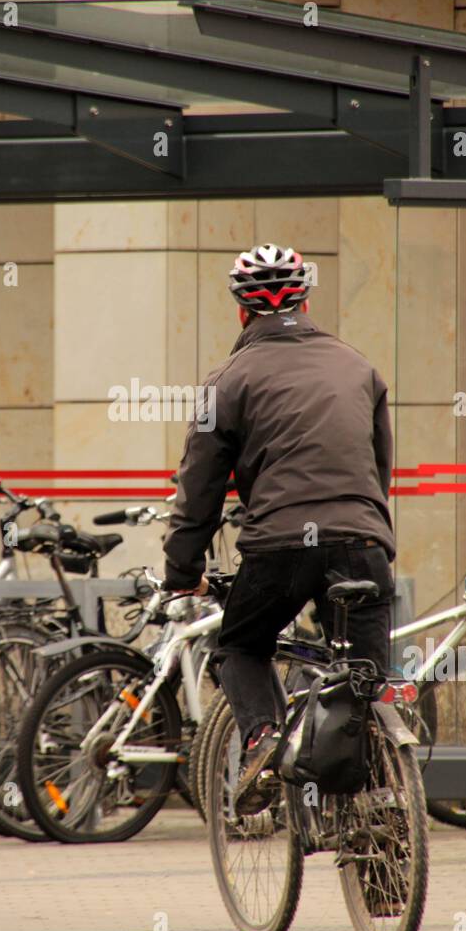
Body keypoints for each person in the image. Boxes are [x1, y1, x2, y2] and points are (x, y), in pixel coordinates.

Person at [162, 243, 395, 816]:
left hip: (281, 548)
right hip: (364, 543)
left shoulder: (229, 381)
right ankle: (386, 827)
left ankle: (263, 740)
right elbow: (379, 470)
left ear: (242, 312)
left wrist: (181, 571)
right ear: (307, 301)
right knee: (364, 685)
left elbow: (199, 490)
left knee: (240, 644)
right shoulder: (360, 368)